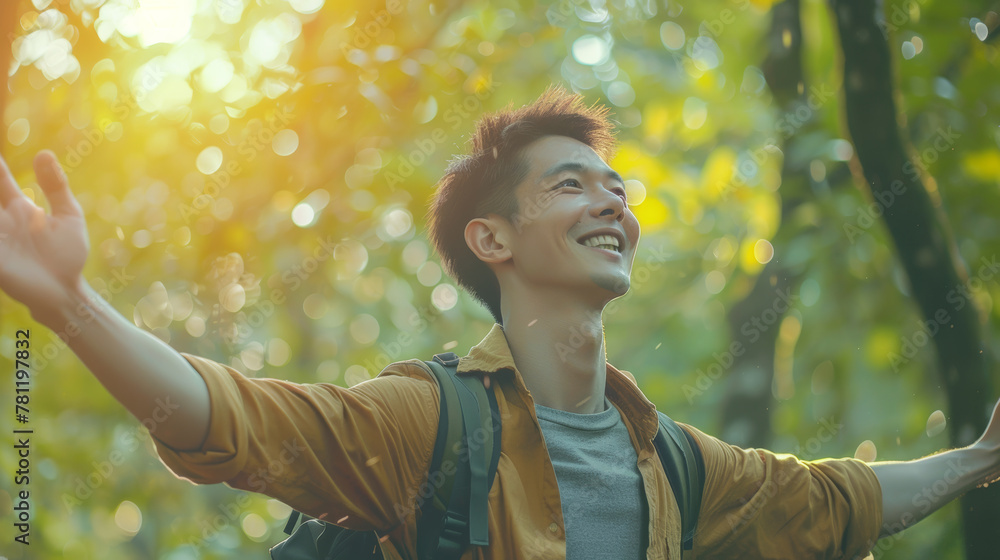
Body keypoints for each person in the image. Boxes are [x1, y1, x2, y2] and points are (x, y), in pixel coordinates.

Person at [1, 87, 998, 560]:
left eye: (617, 185)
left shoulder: (676, 466)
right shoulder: (428, 422)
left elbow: (832, 502)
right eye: (572, 184)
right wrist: (69, 304)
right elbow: (236, 420)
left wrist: (979, 459)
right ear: (492, 237)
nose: (613, 203)